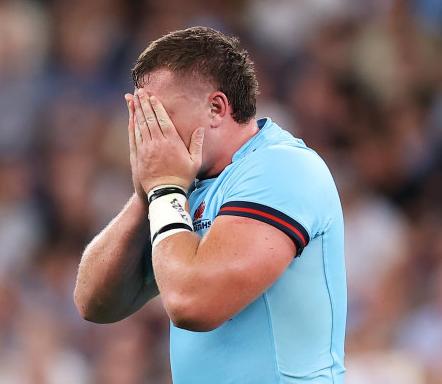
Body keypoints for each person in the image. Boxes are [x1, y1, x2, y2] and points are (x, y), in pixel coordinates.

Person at [74, 26, 347, 384]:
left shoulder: (281, 167)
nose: (149, 136)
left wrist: (164, 188)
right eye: (142, 120)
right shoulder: (185, 190)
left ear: (217, 108)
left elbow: (192, 304)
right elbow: (94, 303)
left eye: (159, 117)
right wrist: (147, 196)